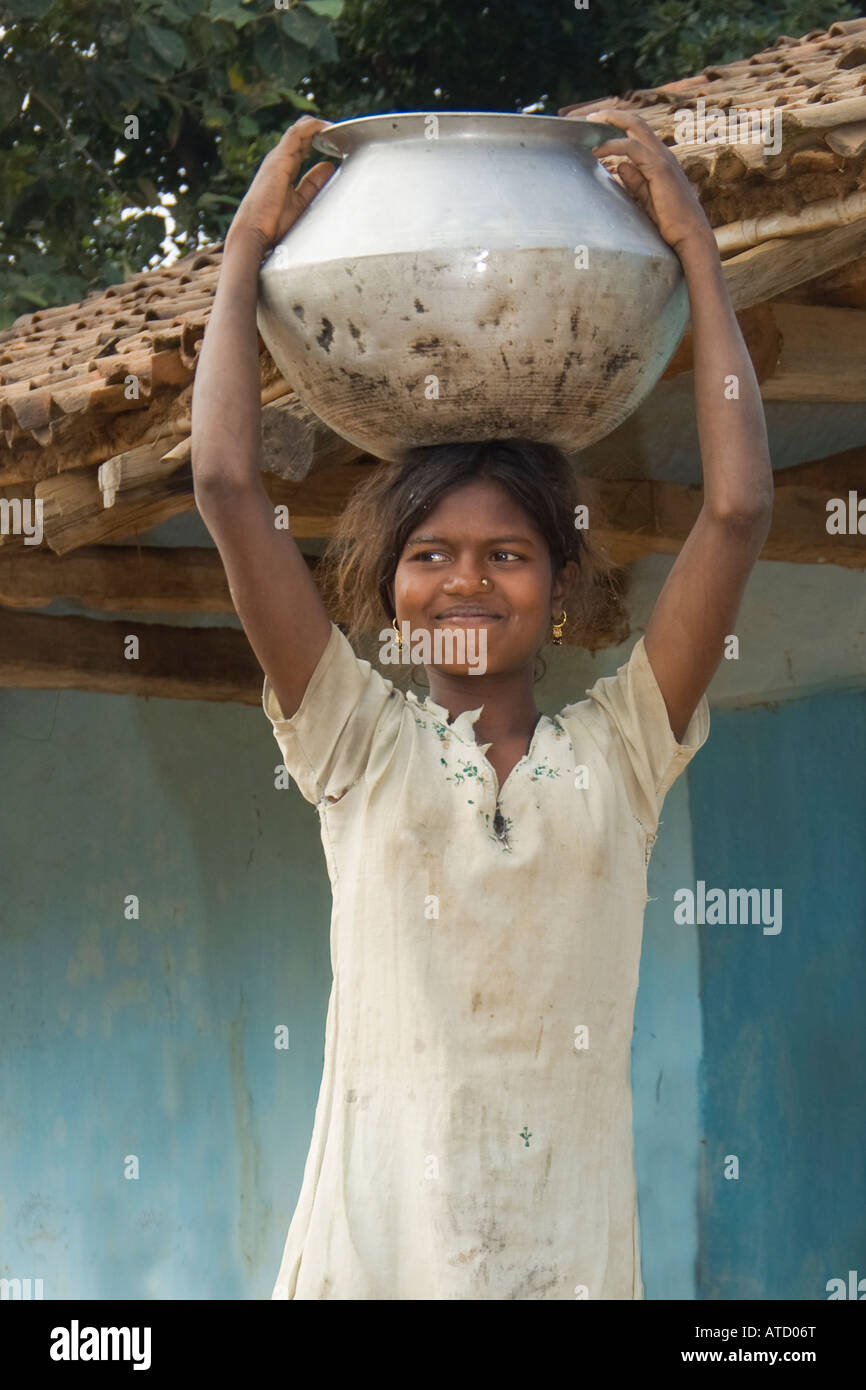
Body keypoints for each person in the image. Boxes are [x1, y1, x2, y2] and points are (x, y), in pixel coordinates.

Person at [191, 111, 773, 1299]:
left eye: (506, 554)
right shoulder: (352, 741)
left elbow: (736, 513)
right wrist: (243, 254)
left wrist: (696, 256)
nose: (463, 578)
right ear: (388, 587)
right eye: (430, 555)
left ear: (560, 588)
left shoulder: (620, 753)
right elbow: (224, 482)